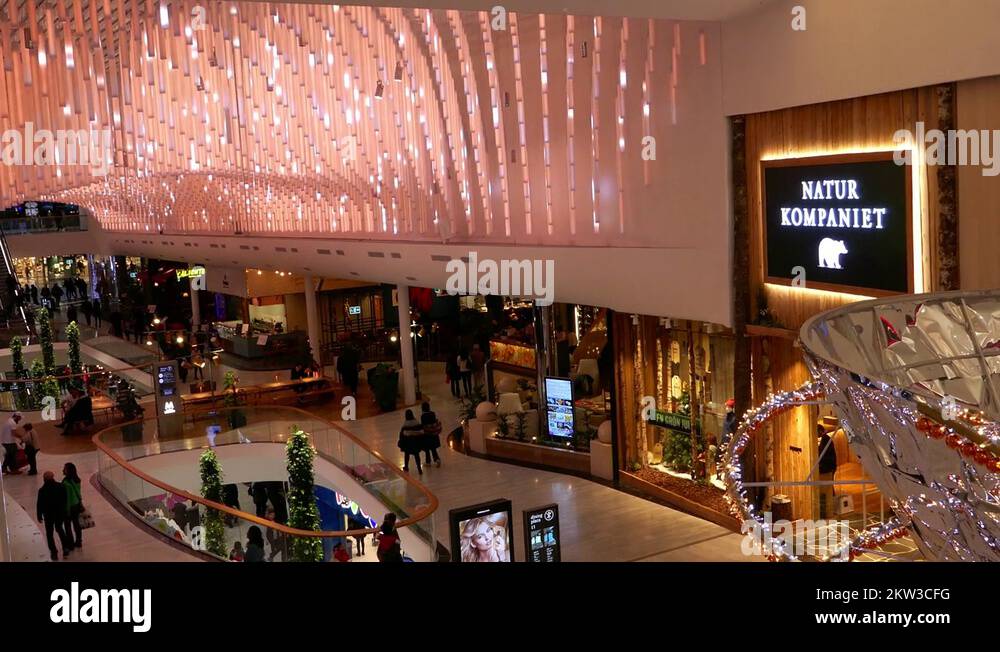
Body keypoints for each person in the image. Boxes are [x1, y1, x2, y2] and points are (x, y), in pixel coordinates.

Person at [37, 471, 72, 560]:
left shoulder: (42, 490)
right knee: (60, 529)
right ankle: (65, 547)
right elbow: (65, 500)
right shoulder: (60, 486)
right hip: (59, 513)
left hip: (48, 515)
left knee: (49, 534)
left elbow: (40, 503)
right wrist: (65, 511)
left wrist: (39, 515)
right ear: (53, 477)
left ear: (44, 479)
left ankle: (54, 552)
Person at [818, 425, 838, 519]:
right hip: (829, 466)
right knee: (829, 487)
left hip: (828, 467)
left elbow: (824, 455)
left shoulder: (826, 440)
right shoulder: (825, 439)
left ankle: (831, 508)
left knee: (828, 488)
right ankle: (832, 507)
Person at [63, 462, 84, 549]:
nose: (63, 470)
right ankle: (79, 541)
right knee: (77, 524)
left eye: (64, 468)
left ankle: (70, 543)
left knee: (68, 526)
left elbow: (67, 499)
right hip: (77, 505)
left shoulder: (66, 483)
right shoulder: (77, 480)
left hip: (70, 507)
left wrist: (66, 510)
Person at [398, 409, 424, 474]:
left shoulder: (405, 425)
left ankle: (406, 467)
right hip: (416, 443)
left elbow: (402, 435)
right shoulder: (417, 422)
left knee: (406, 455)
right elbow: (421, 432)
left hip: (408, 444)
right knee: (417, 456)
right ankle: (419, 469)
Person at [420, 401, 442, 467]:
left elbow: (423, 426)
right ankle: (437, 459)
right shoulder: (432, 413)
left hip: (427, 435)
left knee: (427, 449)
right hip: (434, 434)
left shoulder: (423, 416)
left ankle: (428, 462)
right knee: (433, 448)